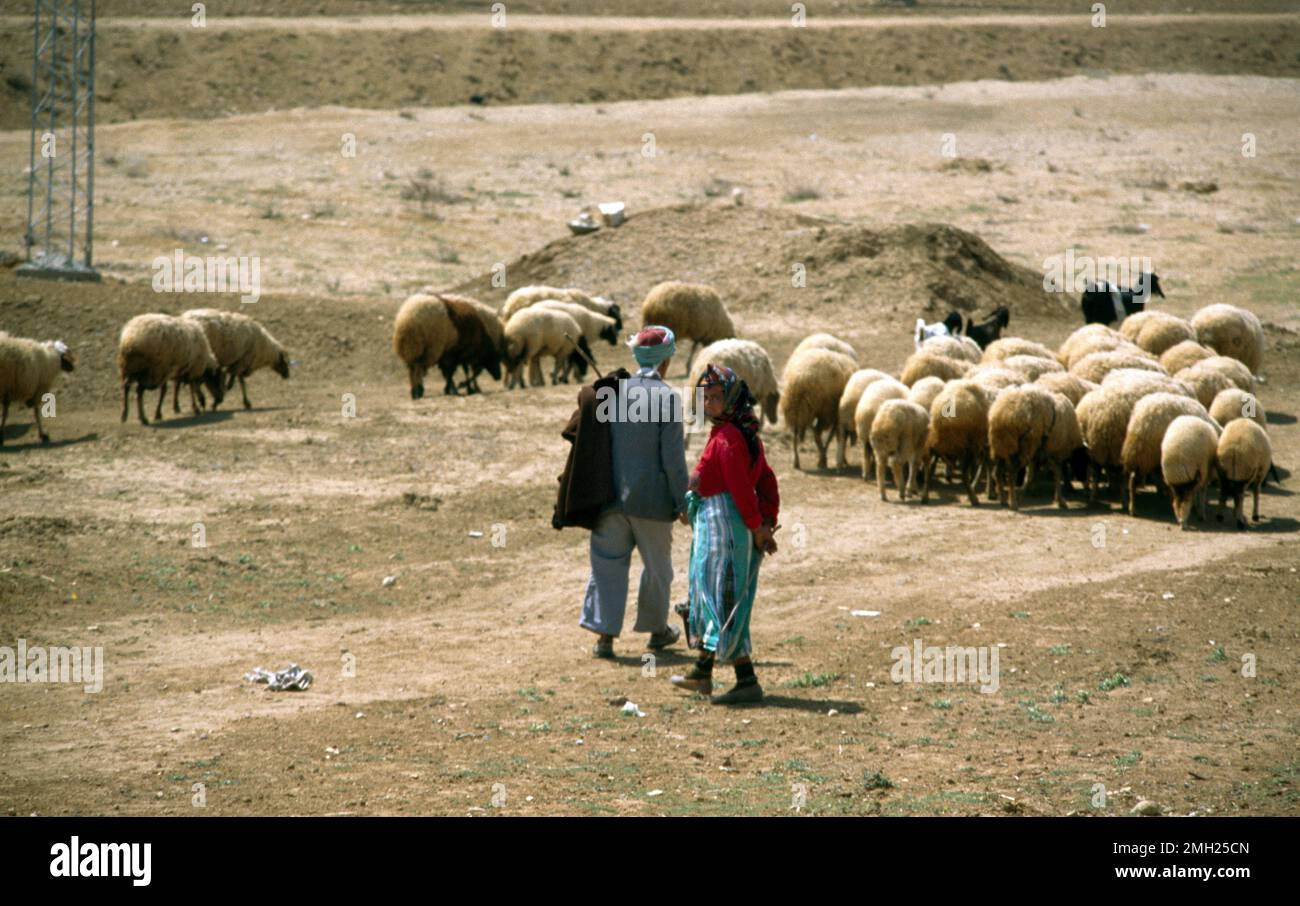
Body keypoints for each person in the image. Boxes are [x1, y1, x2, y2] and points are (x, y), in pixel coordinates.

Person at [671, 363, 779, 705]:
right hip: (723, 530)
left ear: (732, 398)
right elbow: (765, 482)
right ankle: (707, 675)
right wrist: (762, 522)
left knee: (721, 600)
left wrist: (760, 525)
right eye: (705, 398)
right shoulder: (736, 434)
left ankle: (740, 680)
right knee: (718, 598)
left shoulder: (730, 438)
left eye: (717, 398)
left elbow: (745, 489)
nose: (709, 404)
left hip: (725, 532)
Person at [579, 326, 690, 659]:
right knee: (657, 568)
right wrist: (682, 500)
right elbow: (673, 460)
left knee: (607, 565)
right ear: (666, 360)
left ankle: (604, 637)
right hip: (651, 501)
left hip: (611, 498)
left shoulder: (613, 392)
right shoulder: (668, 398)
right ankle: (657, 631)